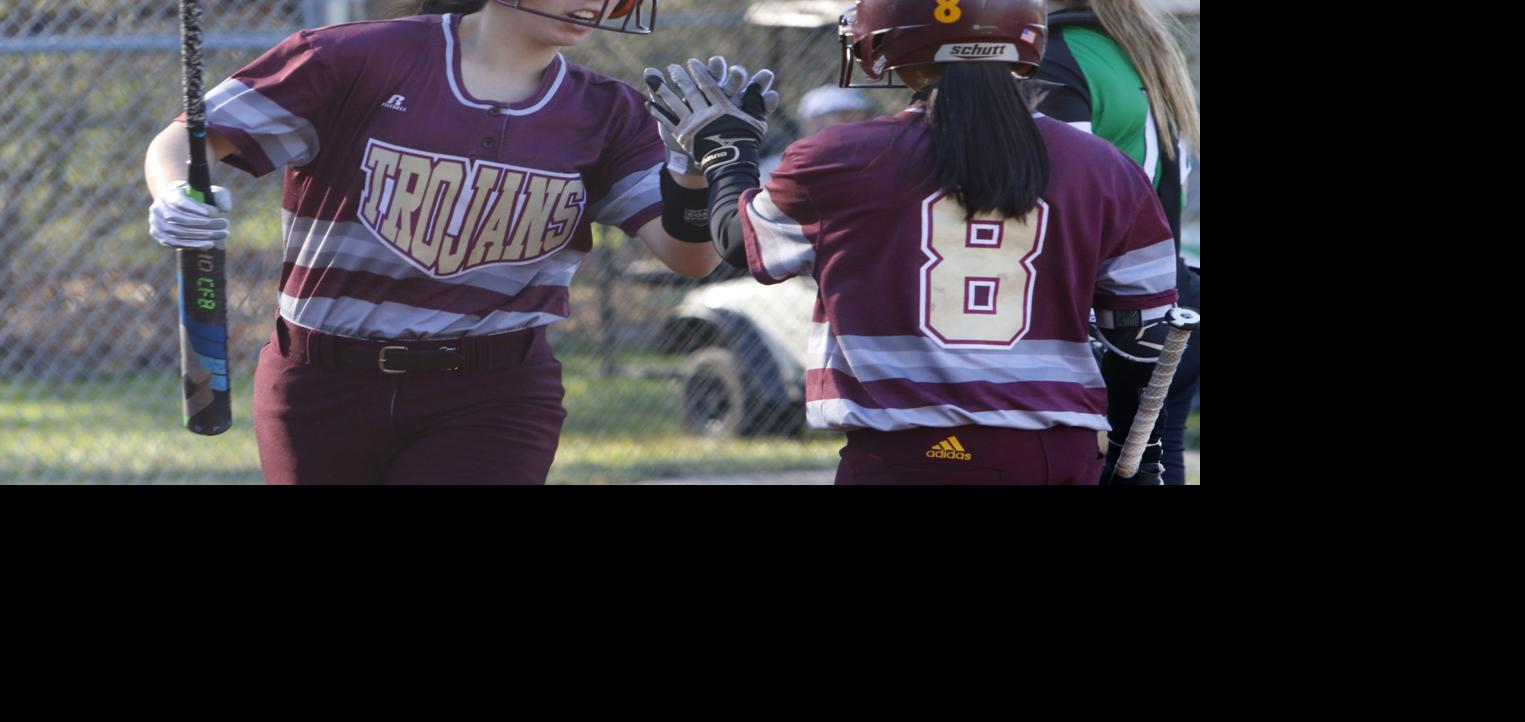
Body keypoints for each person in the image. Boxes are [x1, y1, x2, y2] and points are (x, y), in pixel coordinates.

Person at [143, 0, 745, 484]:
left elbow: (690, 256)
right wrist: (174, 194)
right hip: (322, 379)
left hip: (493, 389)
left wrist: (694, 173)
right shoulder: (361, 57)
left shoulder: (610, 112)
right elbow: (186, 141)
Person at [643, 0, 1178, 484]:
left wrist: (725, 152)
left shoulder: (839, 157)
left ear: (895, 43)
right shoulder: (1107, 167)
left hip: (903, 454)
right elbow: (1141, 335)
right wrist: (1139, 456)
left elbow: (737, 242)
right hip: (1054, 453)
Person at [1036, 0, 1200, 484]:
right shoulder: (1138, 44)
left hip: (1113, 314)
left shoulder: (1056, 52)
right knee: (1152, 465)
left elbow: (1061, 202)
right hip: (1167, 295)